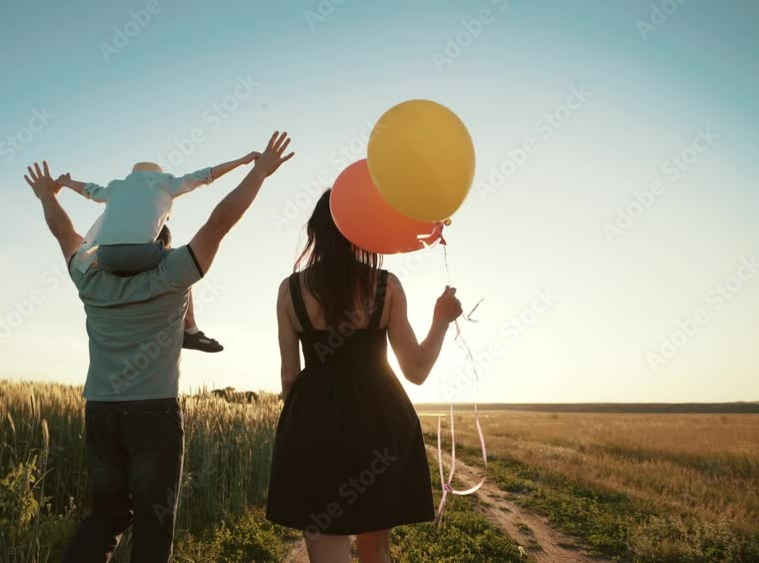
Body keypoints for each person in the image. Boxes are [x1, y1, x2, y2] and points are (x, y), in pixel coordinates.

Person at [23, 131, 293, 563]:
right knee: (153, 526)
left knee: (105, 518)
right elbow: (218, 222)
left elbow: (65, 233)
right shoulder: (173, 276)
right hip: (154, 415)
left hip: (101, 413)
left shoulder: (89, 279)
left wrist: (46, 196)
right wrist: (258, 173)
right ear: (157, 238)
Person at [265, 190, 463, 563]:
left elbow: (289, 376)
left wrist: (303, 421)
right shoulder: (387, 286)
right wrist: (440, 320)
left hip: (313, 423)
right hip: (379, 422)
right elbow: (416, 371)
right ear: (364, 232)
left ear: (315, 232)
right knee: (376, 554)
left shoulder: (289, 291)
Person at [55, 153, 259, 352]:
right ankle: (190, 329)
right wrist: (241, 162)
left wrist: (66, 183)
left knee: (139, 258)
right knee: (185, 261)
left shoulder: (116, 186)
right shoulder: (166, 183)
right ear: (157, 175)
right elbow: (206, 175)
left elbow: (88, 190)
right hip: (140, 255)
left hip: (105, 258)